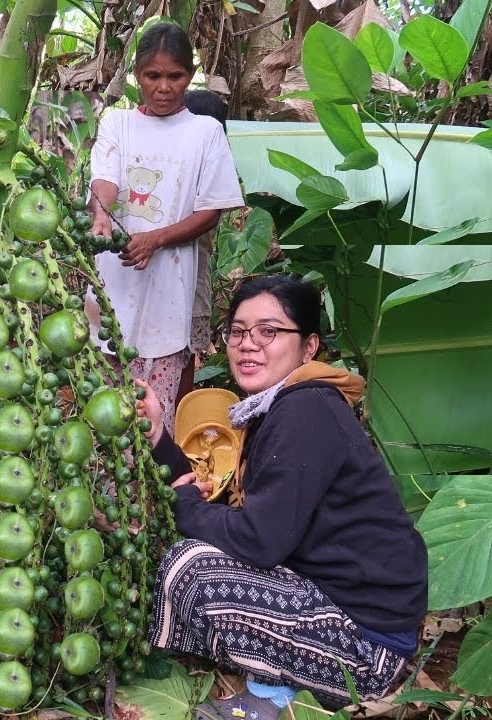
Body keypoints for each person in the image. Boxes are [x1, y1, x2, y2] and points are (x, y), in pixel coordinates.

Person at [136, 275, 426, 718]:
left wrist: (184, 506)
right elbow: (221, 506)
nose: (248, 344)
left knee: (189, 567)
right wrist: (159, 437)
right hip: (329, 602)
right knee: (181, 548)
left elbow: (256, 540)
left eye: (269, 331)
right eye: (237, 331)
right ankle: (275, 673)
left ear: (309, 347)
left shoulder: (306, 410)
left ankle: (271, 696)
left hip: (368, 649)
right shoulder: (282, 406)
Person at [87, 23, 244, 437]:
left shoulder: (205, 133)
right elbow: (105, 180)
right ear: (137, 74)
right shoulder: (117, 123)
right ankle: (105, 495)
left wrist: (156, 239)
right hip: (115, 278)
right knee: (104, 398)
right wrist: (101, 214)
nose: (163, 87)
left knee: (154, 414)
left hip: (170, 284)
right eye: (153, 76)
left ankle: (154, 494)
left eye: (174, 76)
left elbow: (210, 212)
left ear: (189, 75)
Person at [178, 89, 231, 406]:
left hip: (190, 280)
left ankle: (178, 419)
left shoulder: (211, 168)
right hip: (177, 281)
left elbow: (204, 219)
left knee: (183, 355)